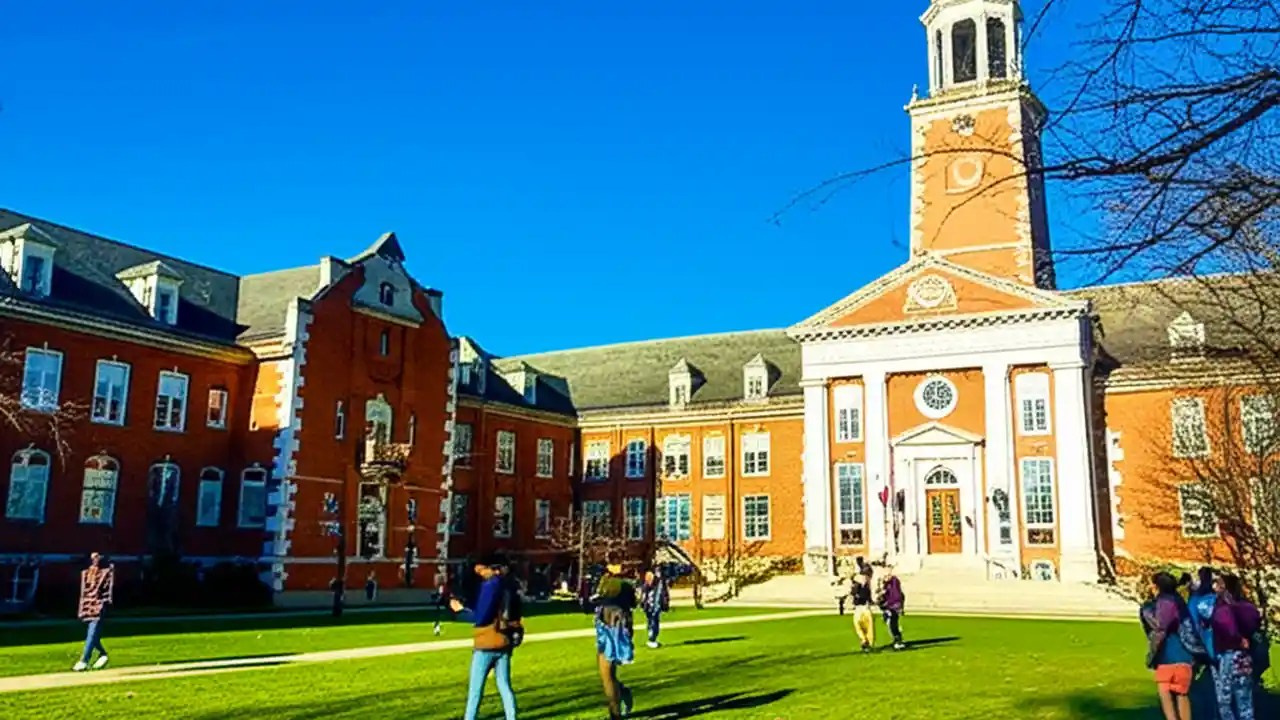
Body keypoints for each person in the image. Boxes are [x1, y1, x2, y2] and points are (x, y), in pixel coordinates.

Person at [450, 554, 521, 720]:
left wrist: (460, 610)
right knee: (504, 685)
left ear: (491, 568)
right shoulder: (509, 586)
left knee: (475, 689)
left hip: (486, 642)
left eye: (481, 568)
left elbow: (481, 617)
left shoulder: (491, 586)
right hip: (504, 641)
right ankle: (512, 717)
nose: (479, 572)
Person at [1142, 571, 1195, 720]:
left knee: (1166, 695)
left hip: (1168, 656)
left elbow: (1160, 626)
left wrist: (1146, 608)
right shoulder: (1179, 601)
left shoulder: (1164, 603)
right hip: (1185, 655)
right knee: (1182, 695)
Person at [1208, 573, 1260, 720]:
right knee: (1245, 700)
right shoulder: (1248, 607)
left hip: (1229, 655)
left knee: (1225, 700)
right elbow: (1254, 625)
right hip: (1245, 656)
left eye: (1219, 584)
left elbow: (1227, 630)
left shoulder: (1223, 609)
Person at [592, 562, 637, 719]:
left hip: (613, 629)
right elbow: (633, 603)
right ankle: (622, 694)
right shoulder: (617, 583)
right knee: (608, 673)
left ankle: (615, 712)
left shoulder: (613, 583)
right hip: (609, 627)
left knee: (607, 673)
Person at [73, 552, 114, 672]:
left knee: (92, 633)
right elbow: (83, 592)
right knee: (93, 635)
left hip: (98, 606)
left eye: (97, 557)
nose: (95, 559)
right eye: (93, 557)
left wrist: (105, 603)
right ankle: (103, 654)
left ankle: (84, 660)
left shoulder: (106, 572)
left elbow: (108, 590)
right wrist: (82, 608)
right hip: (88, 606)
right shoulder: (86, 573)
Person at [639, 568, 669, 649]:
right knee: (653, 621)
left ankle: (652, 638)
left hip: (653, 605)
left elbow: (663, 593)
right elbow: (644, 596)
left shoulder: (658, 584)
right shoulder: (648, 586)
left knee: (653, 621)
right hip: (650, 605)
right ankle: (651, 639)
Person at [878, 566, 906, 651]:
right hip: (889, 606)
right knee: (890, 623)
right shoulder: (886, 584)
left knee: (892, 623)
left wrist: (887, 603)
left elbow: (896, 596)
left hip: (894, 606)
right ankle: (897, 639)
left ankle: (898, 641)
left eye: (887, 575)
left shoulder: (894, 582)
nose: (885, 577)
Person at [850, 570, 875, 653]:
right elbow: (853, 594)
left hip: (865, 607)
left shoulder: (867, 588)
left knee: (868, 626)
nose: (864, 579)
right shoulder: (857, 586)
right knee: (857, 625)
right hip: (859, 608)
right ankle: (864, 639)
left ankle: (868, 643)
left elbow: (867, 598)